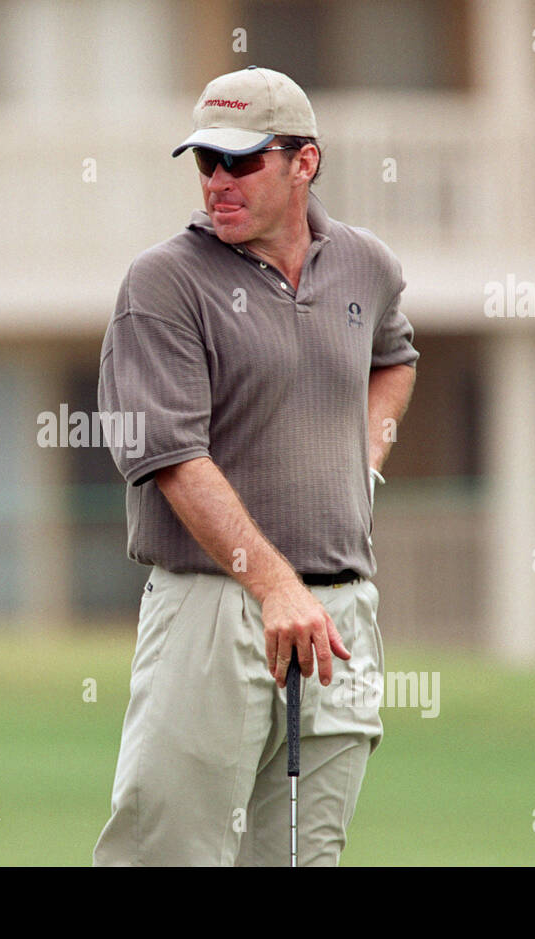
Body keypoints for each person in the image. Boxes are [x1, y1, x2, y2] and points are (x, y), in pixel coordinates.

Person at [94, 67, 418, 867]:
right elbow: (174, 459)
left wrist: (364, 461)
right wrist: (273, 587)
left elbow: (396, 359)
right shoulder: (163, 283)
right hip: (212, 612)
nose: (217, 181)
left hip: (338, 617)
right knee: (167, 855)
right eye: (205, 162)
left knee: (304, 860)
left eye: (239, 161)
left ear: (303, 162)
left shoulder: (364, 265)